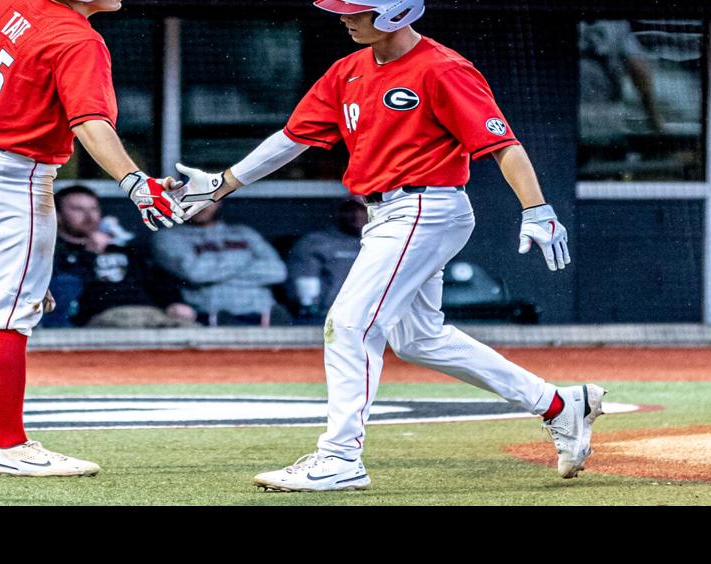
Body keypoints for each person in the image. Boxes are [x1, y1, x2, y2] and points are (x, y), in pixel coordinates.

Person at [174, 0, 602, 492]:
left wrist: (537, 209)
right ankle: (559, 404)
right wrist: (225, 182)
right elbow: (293, 137)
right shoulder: (349, 69)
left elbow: (502, 144)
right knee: (419, 339)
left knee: (350, 325)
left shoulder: (444, 68)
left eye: (356, 10)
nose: (343, 17)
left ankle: (339, 458)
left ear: (396, 12)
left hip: (426, 207)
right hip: (385, 213)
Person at [0, 0, 185, 477]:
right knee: (9, 311)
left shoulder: (7, 2)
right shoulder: (78, 38)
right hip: (8, 171)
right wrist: (134, 181)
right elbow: (89, 122)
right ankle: (9, 445)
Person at [50, 185, 193, 327]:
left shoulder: (121, 247)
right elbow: (65, 293)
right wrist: (89, 254)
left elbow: (155, 279)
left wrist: (174, 303)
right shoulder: (54, 251)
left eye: (93, 209)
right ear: (58, 215)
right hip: (104, 319)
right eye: (78, 209)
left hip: (150, 313)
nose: (89, 216)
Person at [151, 198, 290, 327]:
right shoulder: (169, 237)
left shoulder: (244, 233)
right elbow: (195, 273)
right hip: (213, 315)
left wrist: (215, 272)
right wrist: (244, 258)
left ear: (218, 201)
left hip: (264, 313)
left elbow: (277, 272)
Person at [284, 196, 367, 322]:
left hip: (372, 316)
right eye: (350, 210)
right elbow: (304, 292)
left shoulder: (382, 241)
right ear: (338, 212)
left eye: (363, 210)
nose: (357, 215)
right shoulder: (316, 242)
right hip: (327, 317)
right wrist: (312, 309)